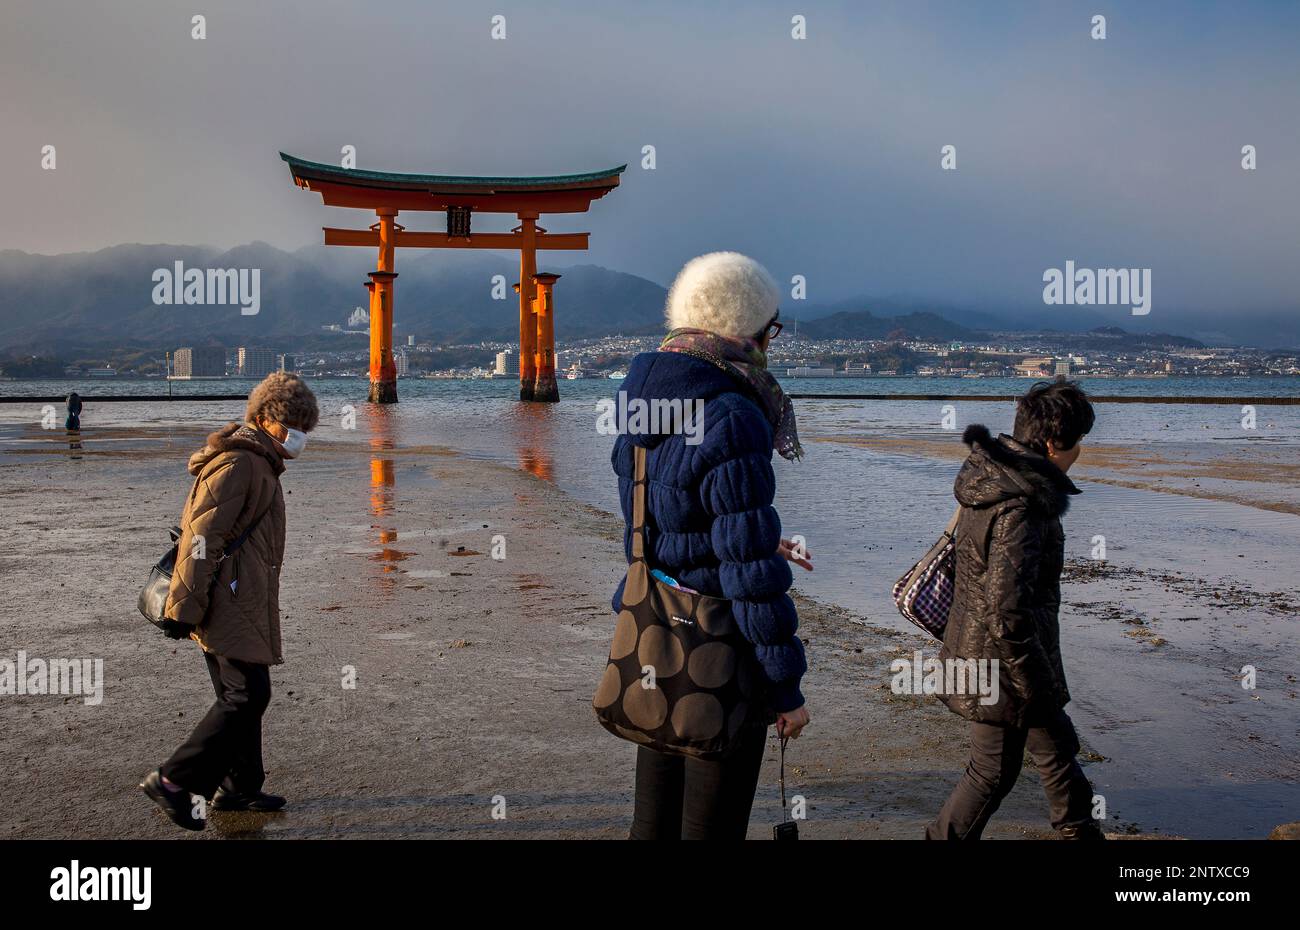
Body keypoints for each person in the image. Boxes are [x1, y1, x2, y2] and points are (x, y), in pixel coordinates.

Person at [611, 251, 811, 840]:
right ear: (748, 323)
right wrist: (785, 687)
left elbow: (658, 526)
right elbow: (746, 574)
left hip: (653, 635)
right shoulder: (731, 412)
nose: (769, 342)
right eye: (770, 328)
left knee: (652, 823)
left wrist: (759, 544)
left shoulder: (644, 398)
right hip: (719, 650)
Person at [140, 372, 319, 831]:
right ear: (264, 419)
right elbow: (200, 538)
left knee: (234, 693)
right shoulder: (241, 463)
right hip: (225, 600)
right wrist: (184, 606)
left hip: (236, 597)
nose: (298, 434)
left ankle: (239, 788)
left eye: (304, 426)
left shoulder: (259, 462)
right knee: (247, 695)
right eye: (291, 423)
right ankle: (174, 781)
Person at [926, 380, 1103, 840]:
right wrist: (1037, 685)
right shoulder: (1024, 502)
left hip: (988, 657)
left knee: (1035, 760)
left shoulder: (994, 478)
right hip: (1007, 667)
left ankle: (1079, 830)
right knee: (1008, 768)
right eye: (1077, 441)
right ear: (1051, 444)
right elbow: (1008, 610)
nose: (1080, 451)